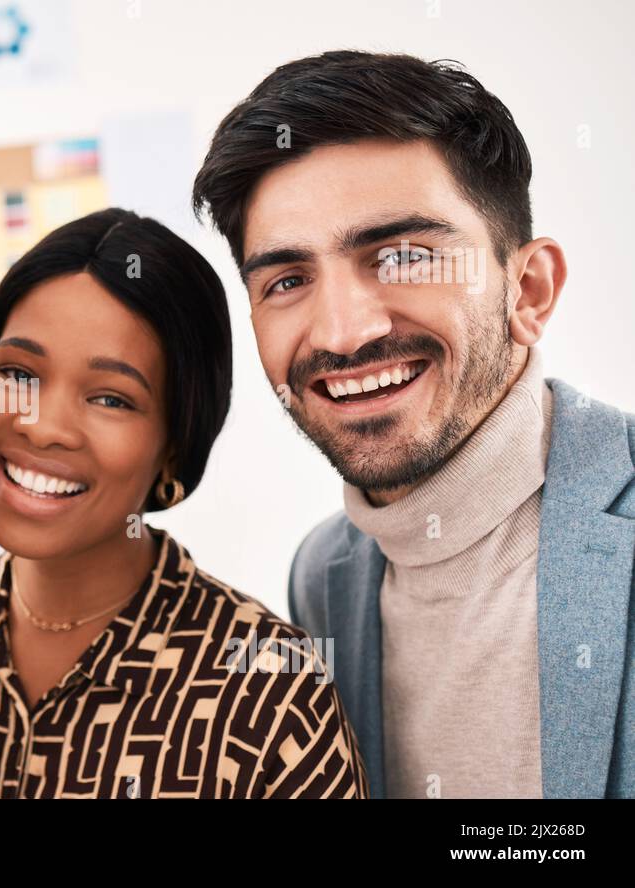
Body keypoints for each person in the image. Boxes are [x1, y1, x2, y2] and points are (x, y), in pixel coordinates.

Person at [193, 50, 634, 798]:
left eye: (401, 256)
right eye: (289, 280)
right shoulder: (324, 577)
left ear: (528, 289)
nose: (342, 332)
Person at [0, 208, 368, 798]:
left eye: (111, 399)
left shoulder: (269, 694)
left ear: (174, 446)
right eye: (17, 372)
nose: (43, 428)